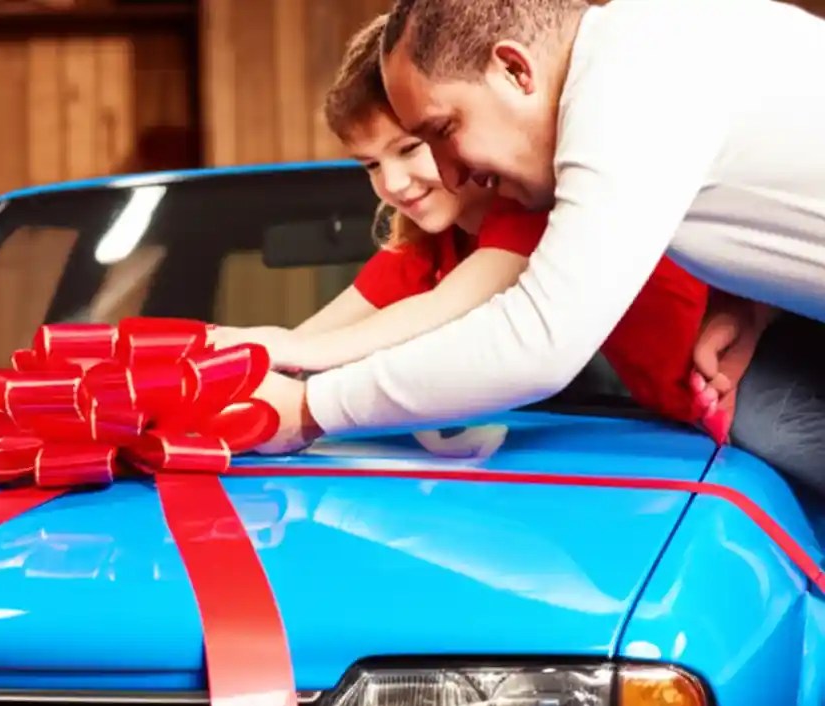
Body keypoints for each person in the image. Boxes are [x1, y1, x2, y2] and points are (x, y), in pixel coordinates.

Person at [250, 0, 825, 493]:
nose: (452, 177)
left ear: (514, 71)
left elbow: (539, 339)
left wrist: (309, 410)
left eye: (443, 130)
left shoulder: (631, 87)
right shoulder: (657, 47)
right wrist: (748, 300)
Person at [216, 14, 715, 449]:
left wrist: (296, 360)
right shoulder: (425, 244)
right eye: (370, 164)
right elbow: (318, 335)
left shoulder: (533, 208)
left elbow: (443, 308)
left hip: (731, 388)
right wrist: (238, 365)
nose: (391, 184)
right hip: (679, 413)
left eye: (412, 148)